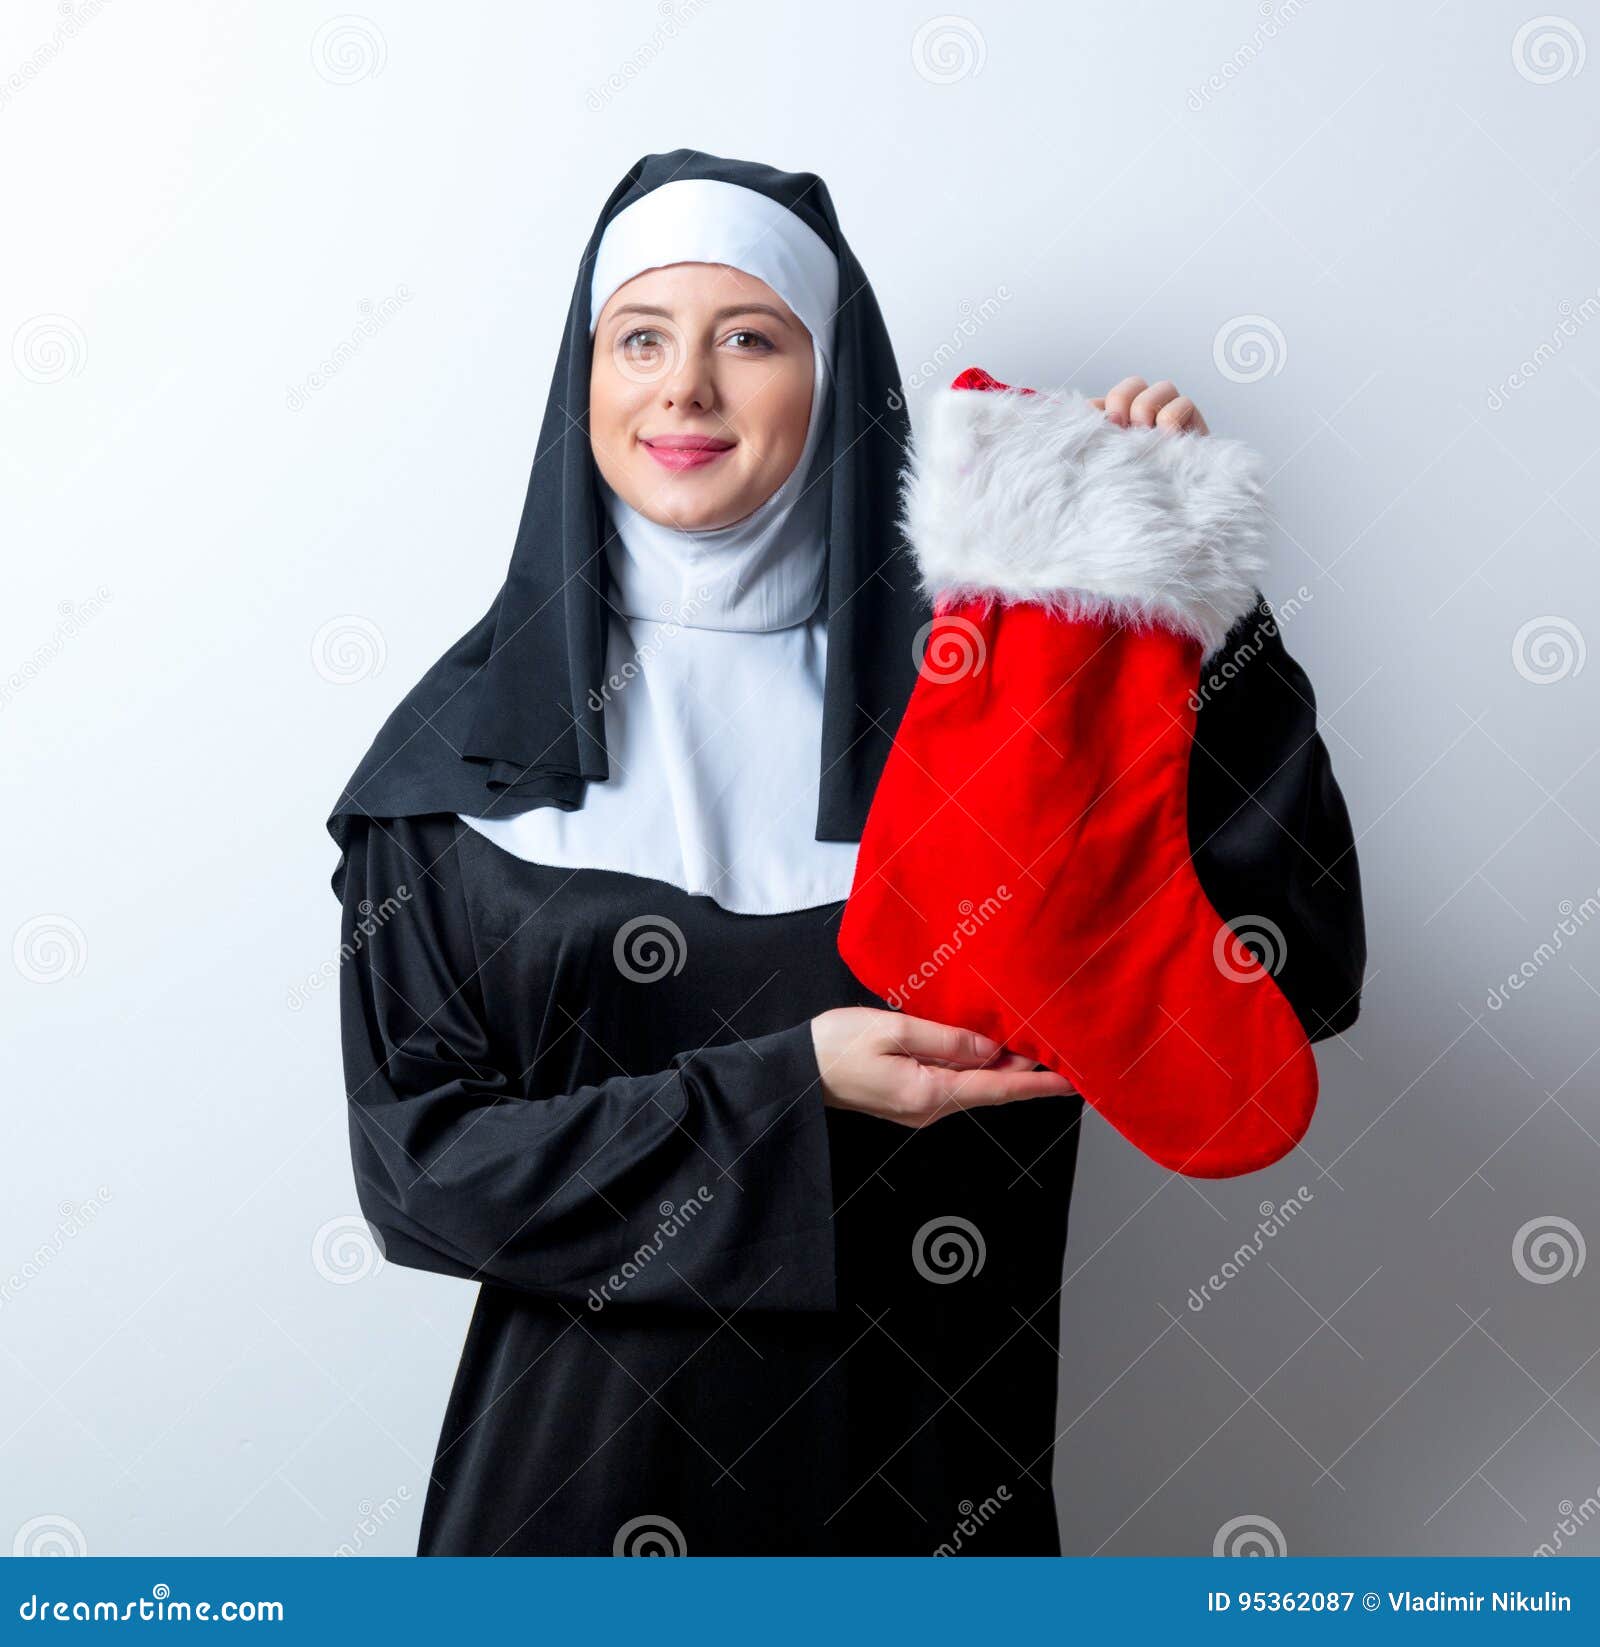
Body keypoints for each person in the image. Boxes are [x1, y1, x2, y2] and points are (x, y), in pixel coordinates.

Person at [327, 148, 1364, 1555]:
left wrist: (1176, 591)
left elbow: (1278, 972)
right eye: (639, 338)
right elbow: (418, 1170)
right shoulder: (458, 762)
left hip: (925, 1488)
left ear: (833, 384)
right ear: (586, 383)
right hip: (558, 1506)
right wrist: (785, 1090)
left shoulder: (999, 703)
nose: (683, 388)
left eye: (747, 338)